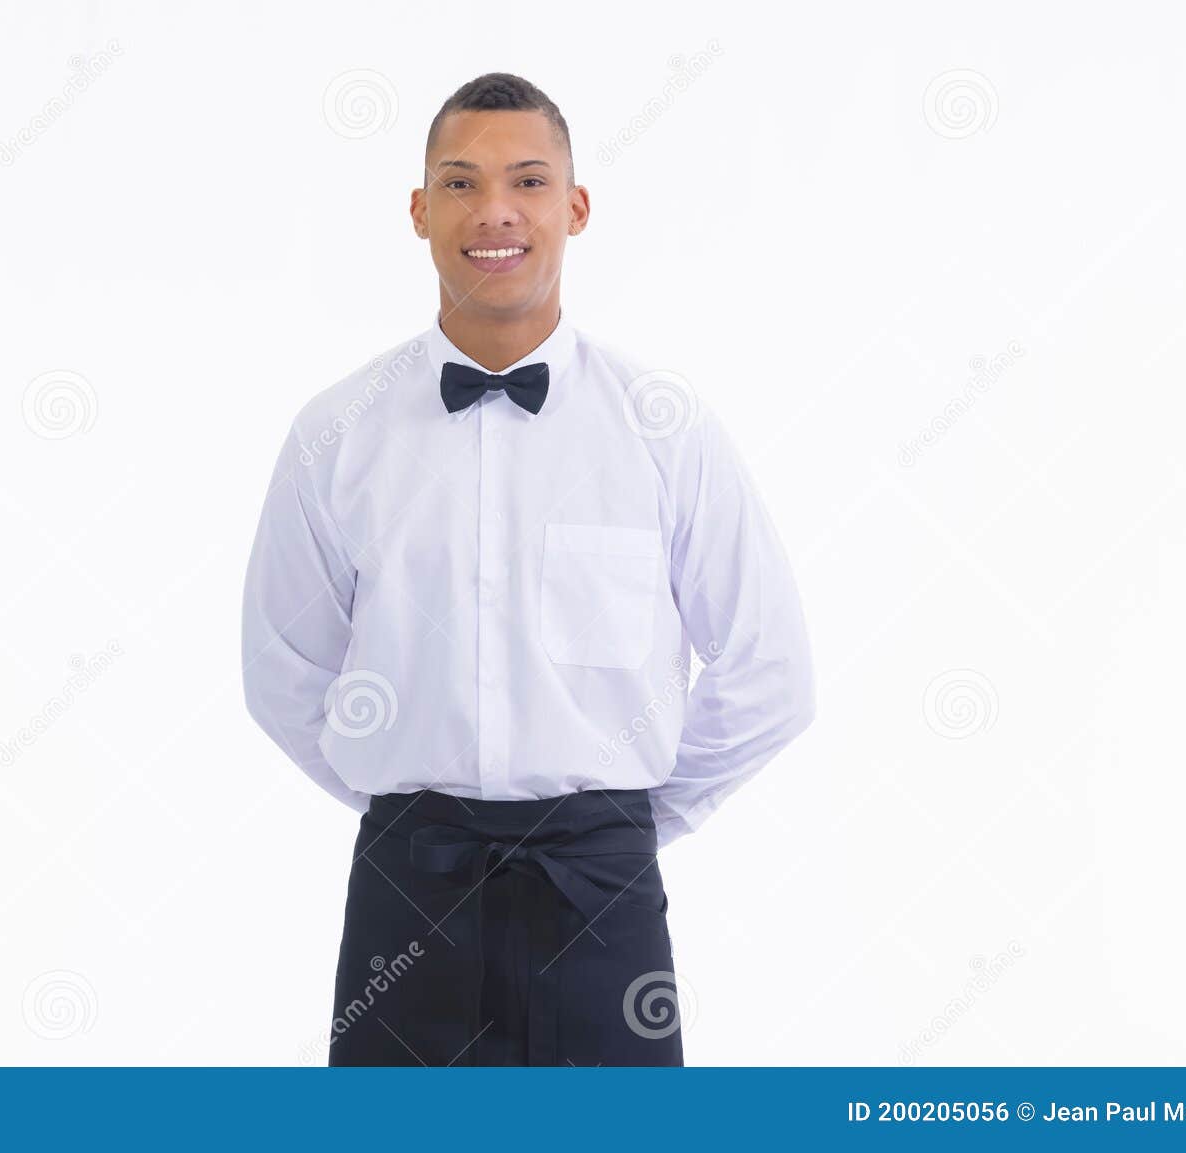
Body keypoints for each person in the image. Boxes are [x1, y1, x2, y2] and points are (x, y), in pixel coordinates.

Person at [242, 72, 816, 1066]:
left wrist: (625, 818)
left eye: (529, 181)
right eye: (459, 183)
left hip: (602, 900)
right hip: (405, 899)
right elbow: (282, 670)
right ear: (419, 210)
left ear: (575, 206)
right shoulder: (336, 430)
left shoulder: (662, 428)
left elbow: (770, 671)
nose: (494, 212)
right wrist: (407, 802)